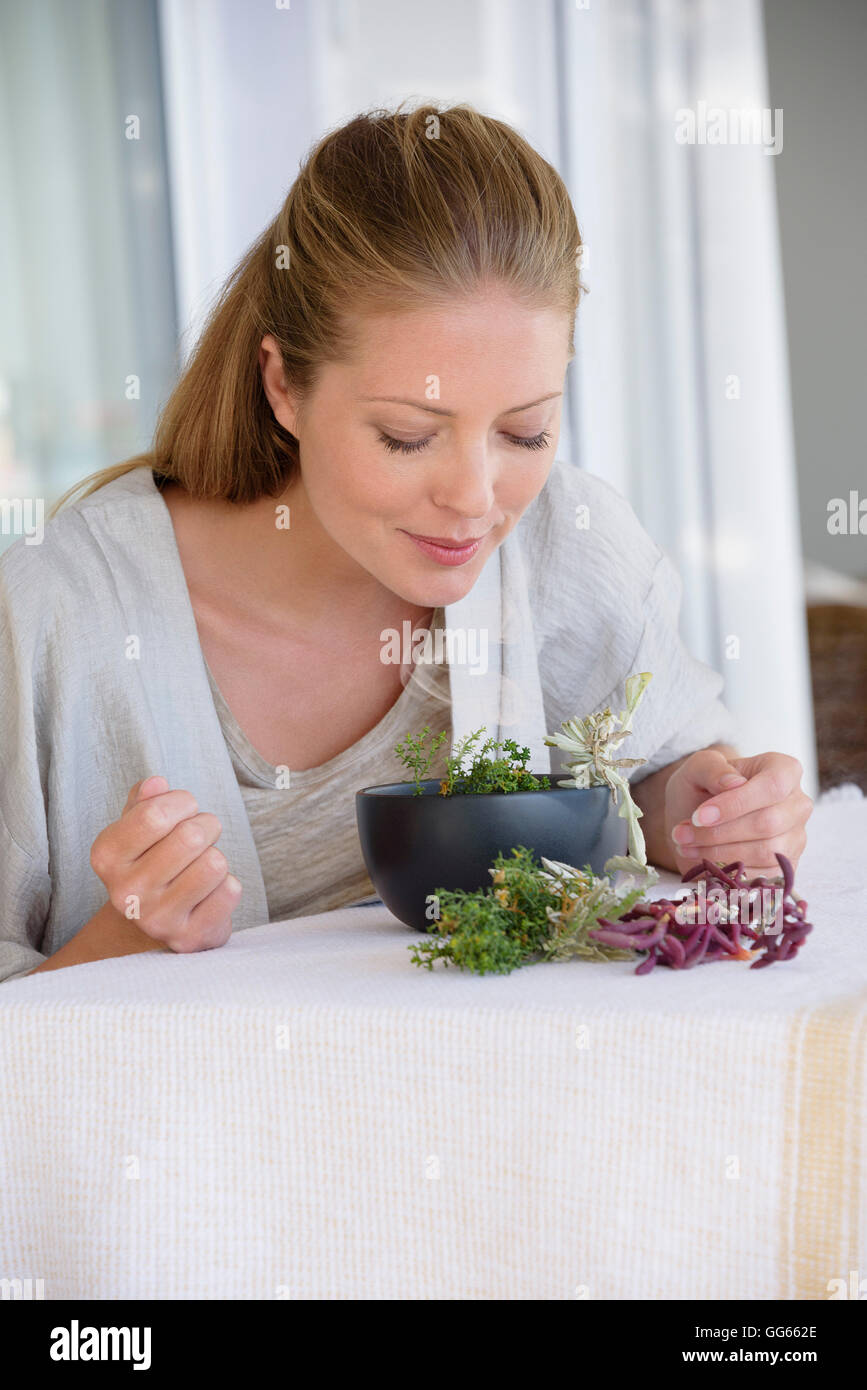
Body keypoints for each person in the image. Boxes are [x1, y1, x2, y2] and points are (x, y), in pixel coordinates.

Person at [0, 102, 812, 983]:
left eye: (525, 432)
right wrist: (114, 953)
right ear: (283, 385)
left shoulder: (565, 547)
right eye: (406, 435)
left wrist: (693, 812)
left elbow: (656, 767)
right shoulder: (55, 617)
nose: (474, 498)